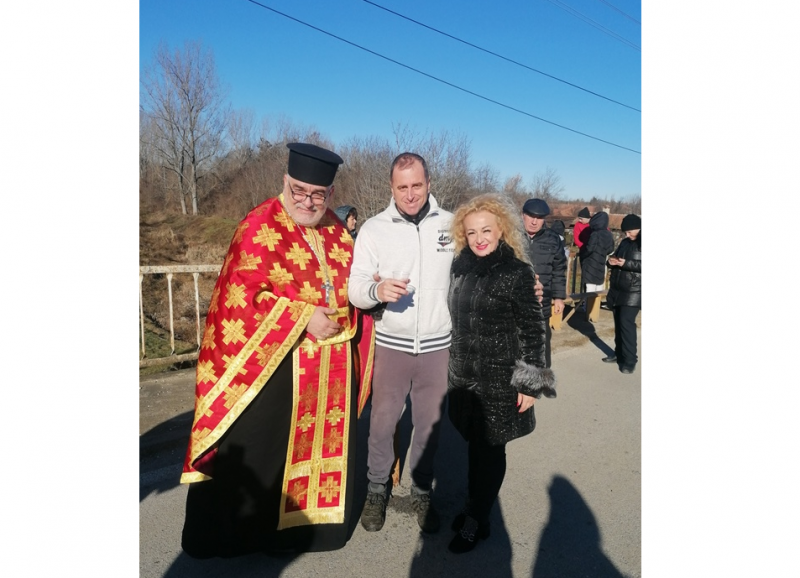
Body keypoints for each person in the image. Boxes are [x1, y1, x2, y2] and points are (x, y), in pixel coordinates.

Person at [179, 142, 376, 558]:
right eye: (299, 190)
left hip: (329, 367)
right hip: (271, 368)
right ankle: (239, 538)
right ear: (285, 183)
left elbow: (350, 283)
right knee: (260, 449)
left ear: (331, 195)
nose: (307, 201)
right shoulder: (258, 225)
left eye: (317, 194)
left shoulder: (337, 230)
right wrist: (302, 317)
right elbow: (240, 297)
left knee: (317, 450)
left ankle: (308, 532)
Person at [348, 152, 454, 535]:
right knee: (381, 422)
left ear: (429, 183)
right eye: (402, 187)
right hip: (391, 343)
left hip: (437, 344)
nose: (410, 194)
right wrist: (377, 289)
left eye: (417, 185)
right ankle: (378, 489)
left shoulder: (451, 225)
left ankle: (422, 491)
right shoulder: (375, 229)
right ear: (391, 187)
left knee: (429, 425)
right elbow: (355, 287)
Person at [446, 194, 556, 554]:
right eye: (472, 231)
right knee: (475, 450)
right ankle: (475, 509)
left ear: (501, 231)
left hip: (501, 381)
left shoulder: (516, 272)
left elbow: (532, 329)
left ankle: (478, 519)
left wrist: (530, 384)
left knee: (490, 452)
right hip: (465, 378)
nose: (480, 238)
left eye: (486, 230)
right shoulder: (460, 267)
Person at [521, 199, 567, 368]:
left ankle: (544, 378)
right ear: (523, 215)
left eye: (539, 218)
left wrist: (559, 297)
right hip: (517, 300)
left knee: (542, 341)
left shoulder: (553, 239)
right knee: (517, 343)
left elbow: (559, 269)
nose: (534, 222)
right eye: (531, 216)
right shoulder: (511, 235)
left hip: (543, 301)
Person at [603, 214, 641, 374]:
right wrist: (611, 261)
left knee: (626, 323)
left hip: (635, 291)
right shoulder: (625, 242)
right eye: (625, 232)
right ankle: (619, 353)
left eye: (629, 231)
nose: (627, 235)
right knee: (618, 323)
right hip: (618, 288)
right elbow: (616, 257)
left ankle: (630, 360)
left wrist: (626, 264)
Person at [578, 210, 615, 294]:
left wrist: (583, 255)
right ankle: (595, 306)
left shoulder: (595, 234)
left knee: (589, 290)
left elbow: (589, 249)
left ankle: (587, 307)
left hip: (590, 264)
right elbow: (611, 249)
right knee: (598, 290)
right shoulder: (609, 234)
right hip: (601, 263)